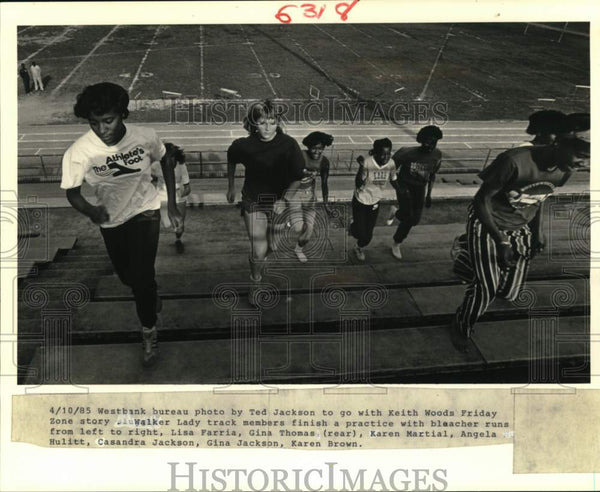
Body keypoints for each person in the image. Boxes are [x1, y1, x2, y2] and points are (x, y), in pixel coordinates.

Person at [60, 82, 182, 366]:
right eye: (94, 123)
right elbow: (72, 193)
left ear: (123, 113)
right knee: (128, 278)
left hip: (145, 211)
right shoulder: (79, 153)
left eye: (108, 121)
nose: (102, 130)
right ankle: (151, 294)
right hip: (112, 220)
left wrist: (171, 202)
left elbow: (166, 160)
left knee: (140, 279)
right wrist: (91, 211)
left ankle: (149, 332)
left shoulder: (145, 137)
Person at [449, 135, 590, 352]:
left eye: (589, 159)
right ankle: (462, 324)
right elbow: (481, 200)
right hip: (489, 221)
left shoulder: (567, 168)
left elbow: (541, 196)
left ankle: (468, 256)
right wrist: (501, 241)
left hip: (521, 222)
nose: (584, 163)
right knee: (487, 287)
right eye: (580, 156)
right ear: (558, 144)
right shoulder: (512, 161)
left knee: (509, 292)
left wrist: (537, 231)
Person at [227, 100, 305, 304]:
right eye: (262, 122)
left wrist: (284, 199)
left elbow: (298, 177)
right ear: (254, 123)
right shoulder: (244, 145)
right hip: (253, 199)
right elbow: (231, 158)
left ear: (278, 121)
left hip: (278, 202)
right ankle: (256, 281)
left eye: (272, 121)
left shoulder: (289, 145)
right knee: (258, 248)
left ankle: (260, 260)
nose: (268, 127)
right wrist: (231, 186)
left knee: (273, 246)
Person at [388, 125, 443, 260]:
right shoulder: (406, 153)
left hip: (420, 189)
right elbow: (389, 169)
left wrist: (429, 194)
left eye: (434, 142)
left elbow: (432, 175)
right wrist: (398, 188)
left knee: (415, 220)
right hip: (405, 186)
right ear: (421, 140)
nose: (430, 145)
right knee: (408, 217)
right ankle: (397, 243)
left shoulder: (437, 154)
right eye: (427, 142)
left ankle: (395, 212)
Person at [287, 131, 334, 263]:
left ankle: (298, 249)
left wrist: (325, 204)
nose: (316, 151)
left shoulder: (324, 162)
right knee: (298, 227)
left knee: (309, 230)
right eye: (314, 148)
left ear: (324, 148)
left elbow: (325, 184)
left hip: (309, 195)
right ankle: (290, 219)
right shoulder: (299, 157)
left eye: (320, 148)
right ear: (308, 146)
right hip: (295, 193)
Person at [350, 138, 397, 262]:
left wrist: (401, 191)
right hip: (360, 201)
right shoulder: (367, 163)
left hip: (375, 202)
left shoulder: (391, 163)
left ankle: (358, 247)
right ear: (375, 153)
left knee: (367, 237)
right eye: (383, 154)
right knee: (359, 232)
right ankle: (354, 225)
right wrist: (361, 167)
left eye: (389, 153)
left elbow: (393, 179)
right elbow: (359, 184)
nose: (386, 157)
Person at [152, 143, 191, 253]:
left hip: (179, 196)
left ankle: (178, 239)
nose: (170, 163)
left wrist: (182, 196)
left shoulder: (182, 166)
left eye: (173, 159)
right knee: (167, 224)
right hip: (162, 196)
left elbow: (188, 187)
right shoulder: (155, 166)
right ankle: (174, 229)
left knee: (180, 226)